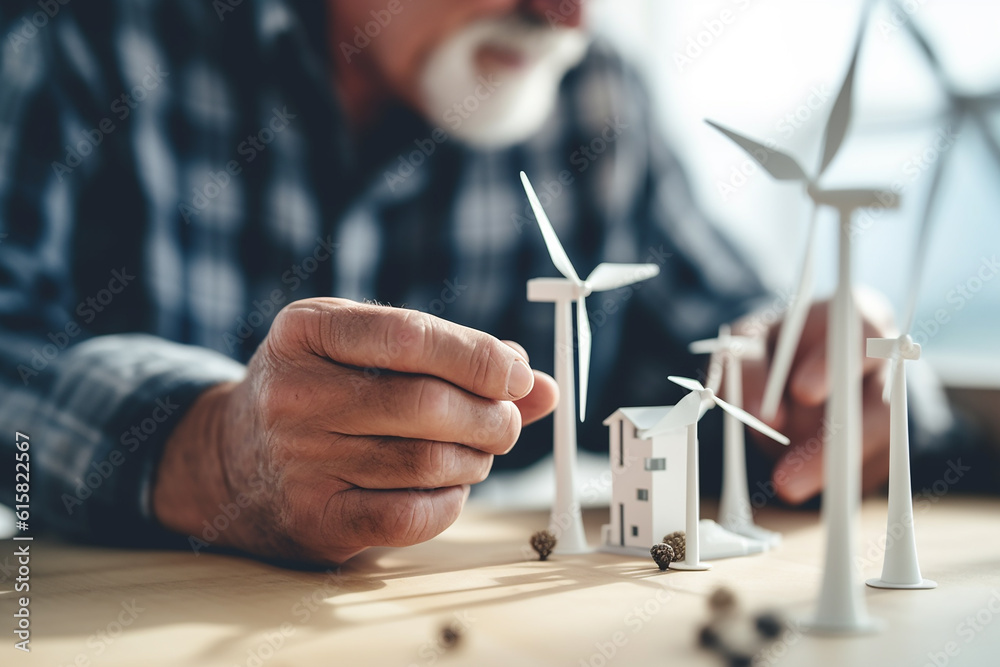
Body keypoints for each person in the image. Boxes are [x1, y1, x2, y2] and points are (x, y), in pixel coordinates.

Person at [0, 0, 990, 564]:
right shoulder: (80, 41)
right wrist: (206, 448)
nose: (567, 15)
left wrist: (831, 387)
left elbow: (719, 356)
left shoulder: (590, 97)